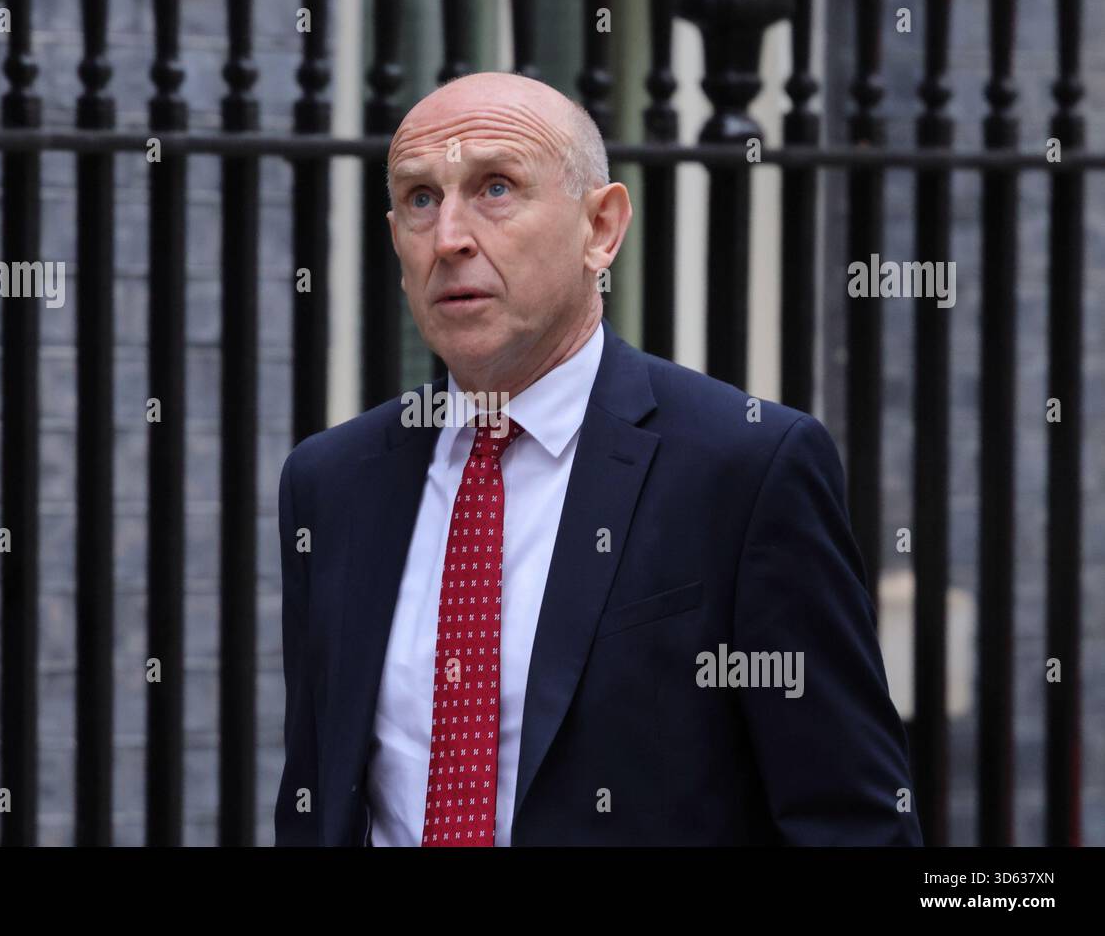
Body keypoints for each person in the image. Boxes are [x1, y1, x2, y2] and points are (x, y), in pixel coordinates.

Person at [275, 71, 921, 846]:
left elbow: (851, 822)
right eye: (420, 198)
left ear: (602, 229)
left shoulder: (746, 470)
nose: (449, 237)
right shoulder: (330, 483)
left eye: (496, 188)